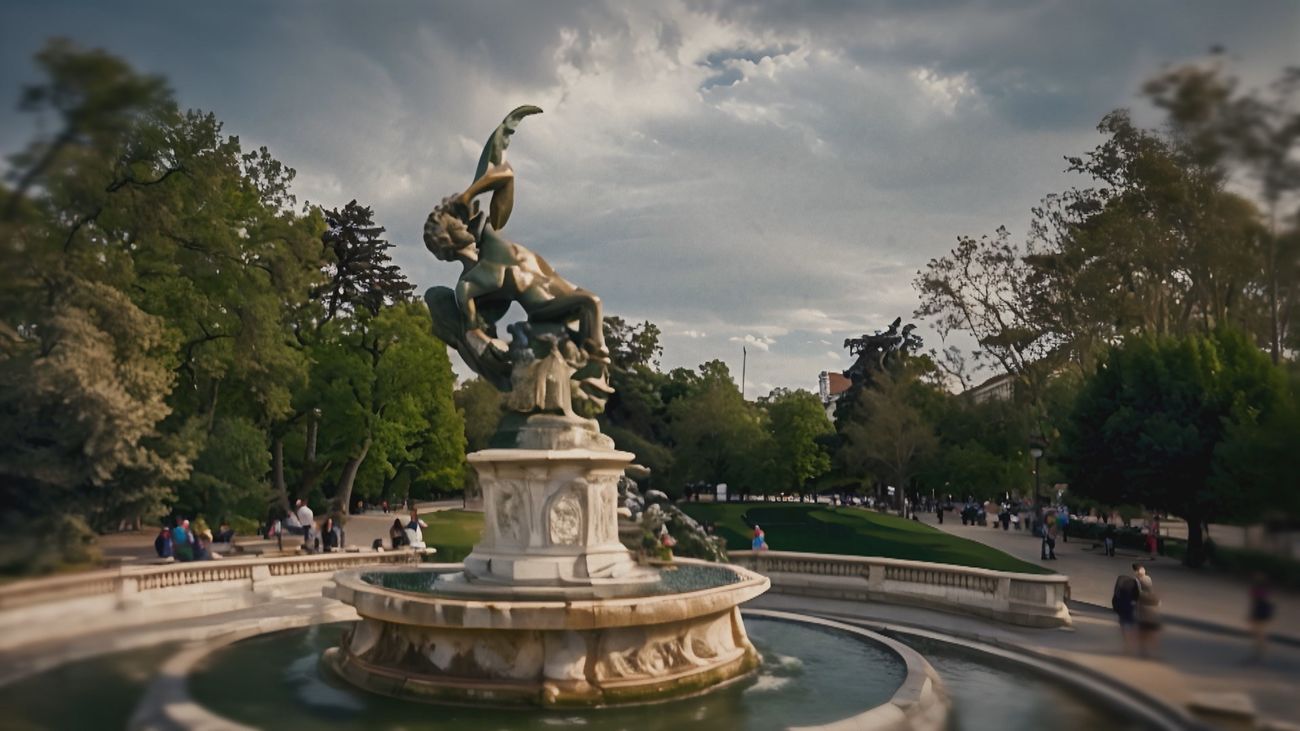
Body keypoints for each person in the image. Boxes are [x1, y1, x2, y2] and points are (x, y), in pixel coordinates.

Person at [1111, 568, 1141, 654]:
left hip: (1121, 607)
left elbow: (1116, 595)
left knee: (1124, 626)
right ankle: (1129, 646)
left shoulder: (1120, 583)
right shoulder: (1134, 583)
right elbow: (1137, 596)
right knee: (1130, 626)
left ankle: (1128, 646)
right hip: (1130, 608)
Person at [1135, 564, 1161, 657]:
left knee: (1143, 636)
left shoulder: (1141, 596)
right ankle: (1155, 652)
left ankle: (1143, 651)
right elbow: (1158, 606)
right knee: (1153, 636)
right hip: (1154, 620)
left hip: (1144, 620)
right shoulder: (1154, 596)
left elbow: (1138, 607)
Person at [1248, 573, 1275, 661]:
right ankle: (1259, 651)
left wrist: (1252, 615)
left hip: (1259, 612)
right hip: (1260, 612)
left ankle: (1260, 652)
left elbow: (1256, 601)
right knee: (1259, 633)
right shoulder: (1264, 588)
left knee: (1259, 633)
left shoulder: (1258, 588)